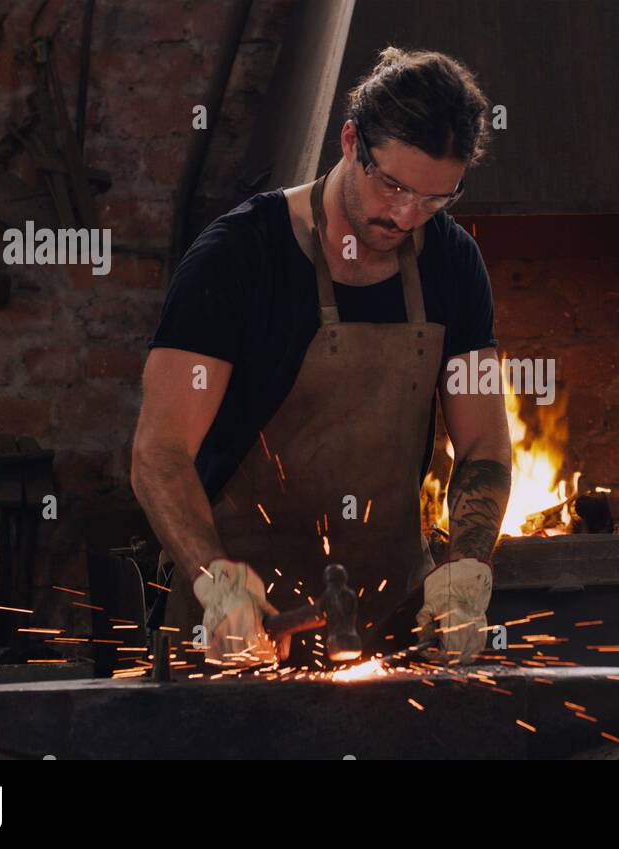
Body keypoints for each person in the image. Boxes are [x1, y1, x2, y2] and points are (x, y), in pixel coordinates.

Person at [130, 47, 512, 668]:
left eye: (436, 200)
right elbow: (159, 454)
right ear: (350, 140)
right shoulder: (239, 257)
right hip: (237, 625)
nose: (406, 216)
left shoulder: (453, 264)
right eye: (393, 185)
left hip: (390, 625)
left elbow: (485, 449)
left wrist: (465, 571)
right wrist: (216, 582)